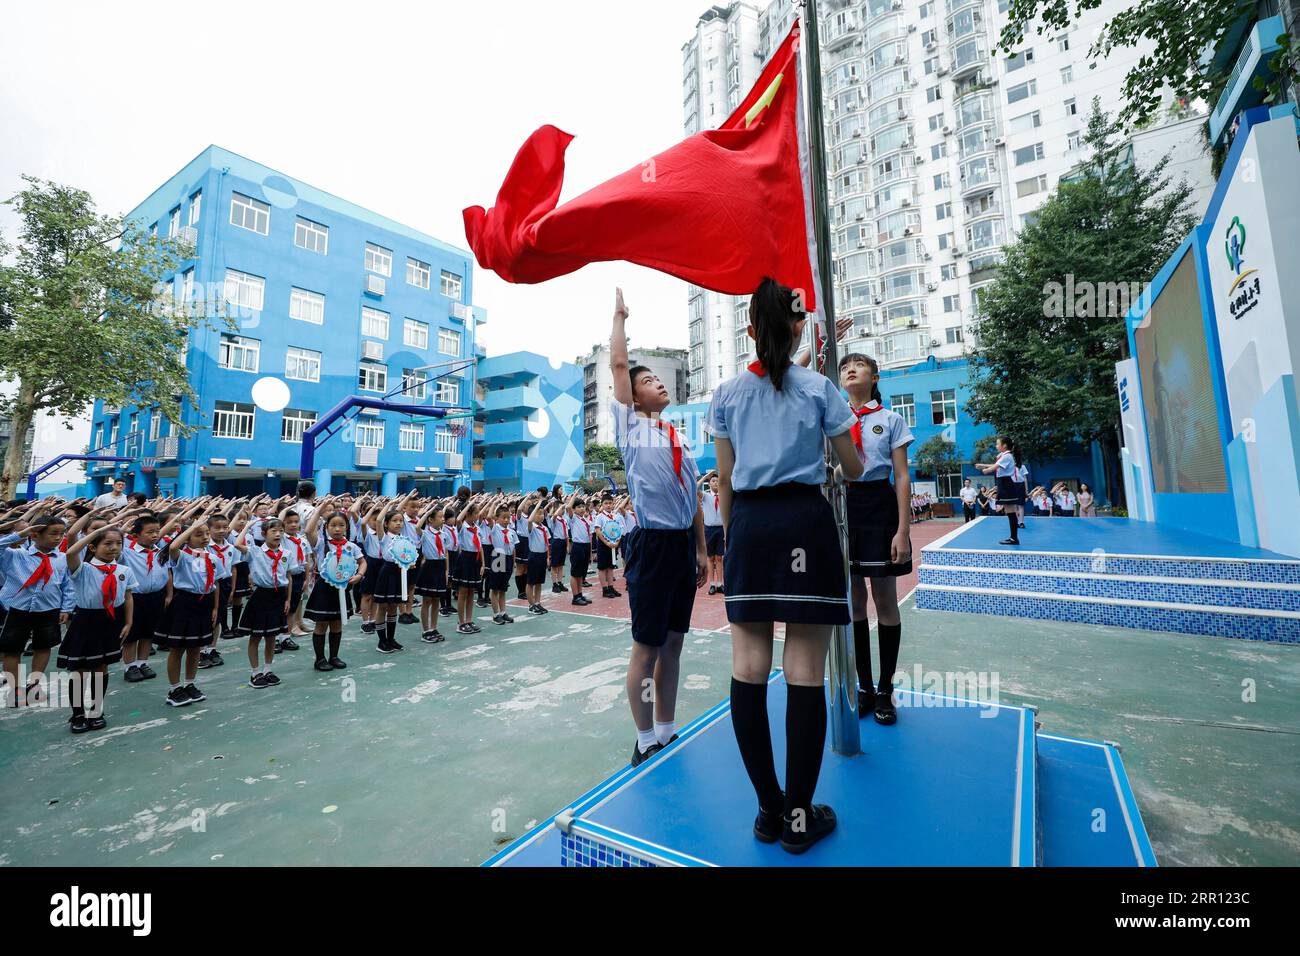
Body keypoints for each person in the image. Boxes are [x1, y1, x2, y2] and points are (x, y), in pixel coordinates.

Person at [707, 278, 863, 854]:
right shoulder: (821, 388)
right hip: (804, 522)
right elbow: (850, 464)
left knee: (748, 667)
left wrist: (734, 541)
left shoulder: (725, 395)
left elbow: (725, 480)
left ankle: (768, 810)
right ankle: (800, 817)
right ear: (798, 327)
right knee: (804, 670)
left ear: (750, 331)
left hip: (748, 525)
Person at [610, 288, 707, 769]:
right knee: (647, 648)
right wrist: (621, 318)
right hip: (649, 544)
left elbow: (692, 500)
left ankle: (668, 730)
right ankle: (644, 736)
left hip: (682, 546)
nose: (658, 384)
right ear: (634, 394)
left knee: (674, 644)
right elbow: (617, 366)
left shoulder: (677, 437)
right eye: (648, 380)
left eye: (659, 380)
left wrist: (702, 549)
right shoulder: (630, 428)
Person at [838, 351, 913, 726]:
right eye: (845, 366)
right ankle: (863, 686)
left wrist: (903, 529)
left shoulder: (890, 419)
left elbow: (901, 476)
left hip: (880, 505)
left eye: (860, 365)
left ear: (875, 376)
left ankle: (885, 688)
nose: (851, 369)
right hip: (845, 506)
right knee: (853, 601)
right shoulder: (834, 420)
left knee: (884, 598)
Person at [60, 523, 136, 733]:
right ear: (92, 548)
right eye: (107, 543)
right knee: (80, 670)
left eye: (118, 543)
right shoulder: (82, 569)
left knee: (101, 667)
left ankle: (96, 710)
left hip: (112, 621)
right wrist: (93, 532)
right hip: (86, 621)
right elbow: (71, 551)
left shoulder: (124, 570)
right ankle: (77, 714)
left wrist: (129, 622)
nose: (114, 548)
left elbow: (128, 596)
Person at [0, 514, 73, 708]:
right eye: (53, 533)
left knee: (43, 646)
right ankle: (14, 689)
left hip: (48, 609)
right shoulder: (16, 555)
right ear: (35, 535)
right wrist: (19, 534)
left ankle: (34, 685)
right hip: (18, 608)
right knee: (12, 649)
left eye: (61, 534)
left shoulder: (62, 559)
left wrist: (66, 607)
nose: (58, 538)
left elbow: (67, 585)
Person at [158, 509, 221, 706]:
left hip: (205, 604)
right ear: (188, 537)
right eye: (198, 534)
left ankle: (189, 684)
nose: (204, 537)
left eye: (206, 534)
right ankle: (174, 688)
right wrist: (191, 526)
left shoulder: (213, 557)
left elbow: (216, 584)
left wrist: (215, 608)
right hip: (184, 603)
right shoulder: (182, 556)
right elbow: (173, 546)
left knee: (195, 648)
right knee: (177, 649)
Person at [303, 501, 366, 671]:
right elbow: (308, 531)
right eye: (333, 525)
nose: (337, 529)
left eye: (341, 525)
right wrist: (319, 511)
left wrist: (359, 575)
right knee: (321, 624)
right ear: (327, 527)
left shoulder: (351, 546)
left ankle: (334, 656)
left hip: (342, 588)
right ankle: (320, 659)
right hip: (324, 588)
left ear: (346, 527)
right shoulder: (322, 543)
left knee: (337, 623)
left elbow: (362, 562)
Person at [233, 517, 291, 685]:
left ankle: (268, 669)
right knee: (256, 636)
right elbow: (237, 545)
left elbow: (287, 576)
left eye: (281, 531)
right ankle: (255, 672)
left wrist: (287, 599)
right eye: (274, 531)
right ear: (264, 534)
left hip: (278, 596)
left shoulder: (286, 554)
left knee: (272, 635)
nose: (278, 534)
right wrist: (248, 526)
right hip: (261, 596)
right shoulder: (255, 551)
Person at [976, 436, 1025, 545]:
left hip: (1006, 484)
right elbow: (997, 465)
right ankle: (1013, 537)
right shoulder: (1005, 456)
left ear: (1004, 446)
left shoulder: (1007, 456)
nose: (996, 446)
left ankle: (1014, 538)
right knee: (1010, 512)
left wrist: (985, 470)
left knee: (1011, 512)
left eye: (998, 444)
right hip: (1004, 483)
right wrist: (983, 465)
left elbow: (994, 467)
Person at [415, 503, 450, 643]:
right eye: (440, 517)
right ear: (430, 519)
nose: (443, 519)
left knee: (437, 600)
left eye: (443, 517)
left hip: (440, 566)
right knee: (427, 600)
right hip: (429, 566)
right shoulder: (424, 533)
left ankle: (434, 628)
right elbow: (417, 526)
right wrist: (428, 511)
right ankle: (425, 631)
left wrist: (447, 570)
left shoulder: (444, 534)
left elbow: (446, 553)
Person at [487, 505, 518, 625]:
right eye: (503, 517)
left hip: (508, 558)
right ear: (497, 518)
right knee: (495, 587)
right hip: (498, 557)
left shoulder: (511, 532)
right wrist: (494, 503)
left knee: (503, 588)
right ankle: (496, 614)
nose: (506, 520)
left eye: (508, 517)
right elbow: (489, 517)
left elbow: (513, 548)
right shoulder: (495, 529)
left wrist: (513, 562)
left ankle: (503, 612)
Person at [700, 473, 726, 594]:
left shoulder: (724, 495)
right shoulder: (705, 495)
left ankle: (720, 584)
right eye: (713, 481)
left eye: (717, 481)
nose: (715, 482)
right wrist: (706, 477)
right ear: (709, 484)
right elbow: (695, 488)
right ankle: (712, 584)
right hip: (709, 529)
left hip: (720, 529)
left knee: (719, 558)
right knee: (710, 558)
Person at [567, 496, 594, 606]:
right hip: (577, 546)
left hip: (586, 546)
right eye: (579, 507)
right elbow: (568, 506)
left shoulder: (585, 520)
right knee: (575, 573)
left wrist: (590, 551)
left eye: (583, 507)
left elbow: (589, 536)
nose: (582, 509)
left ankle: (580, 594)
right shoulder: (573, 518)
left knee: (581, 573)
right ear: (574, 509)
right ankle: (575, 597)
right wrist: (575, 494)